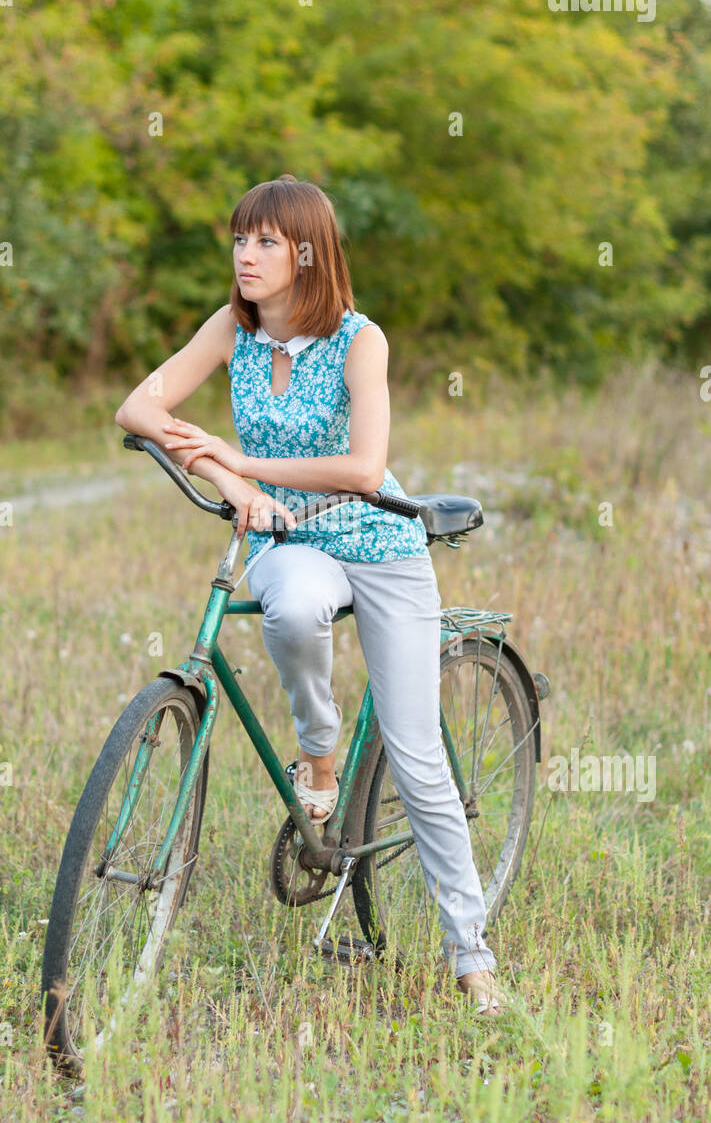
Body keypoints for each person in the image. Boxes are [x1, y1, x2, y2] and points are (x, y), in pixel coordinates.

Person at [114, 175, 503, 1016]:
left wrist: (243, 465)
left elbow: (365, 469)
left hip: (381, 541)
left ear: (305, 252)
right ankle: (318, 753)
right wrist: (230, 481)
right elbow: (140, 406)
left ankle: (471, 955)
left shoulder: (361, 340)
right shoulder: (232, 329)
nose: (244, 257)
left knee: (418, 757)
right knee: (289, 607)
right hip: (294, 538)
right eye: (238, 239)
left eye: (262, 242)